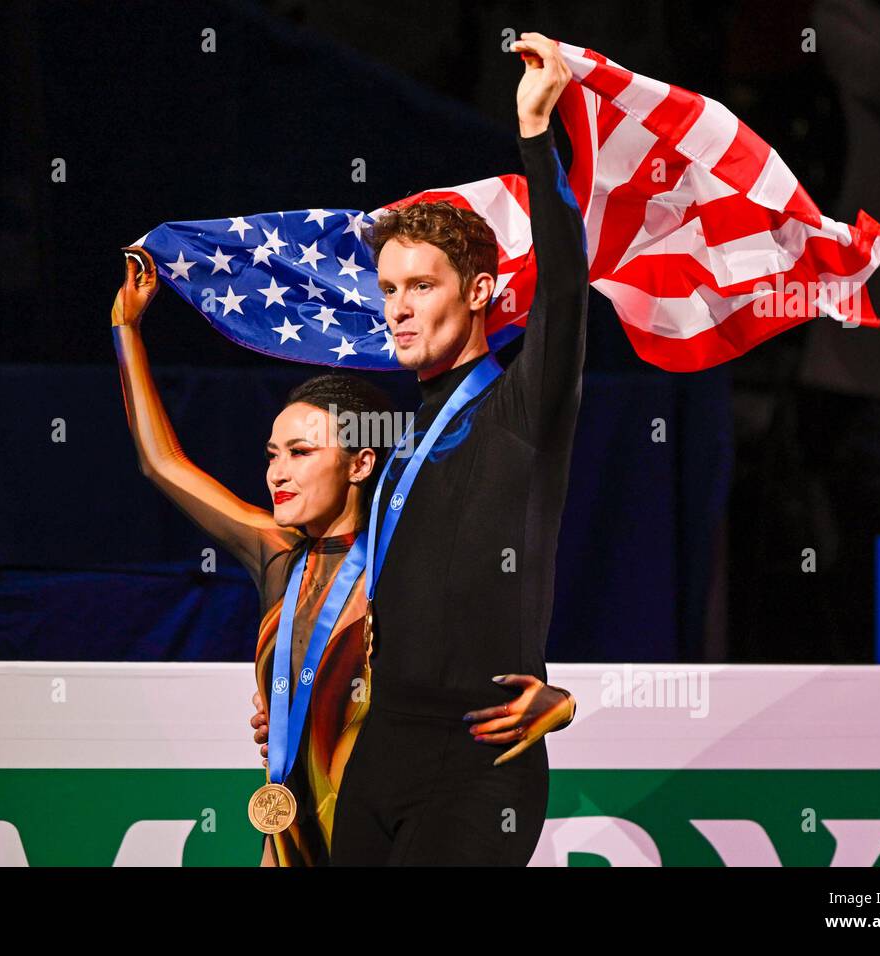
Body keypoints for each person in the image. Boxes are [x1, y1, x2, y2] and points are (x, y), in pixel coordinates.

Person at [110, 247, 573, 865]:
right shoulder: (275, 554)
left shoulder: (408, 553)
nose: (277, 472)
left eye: (301, 453)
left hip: (392, 805)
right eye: (273, 453)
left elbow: (492, 630)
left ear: (360, 463)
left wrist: (562, 702)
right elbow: (160, 462)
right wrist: (127, 331)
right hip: (296, 822)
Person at [323, 32, 590, 865]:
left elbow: (567, 282)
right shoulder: (398, 440)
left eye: (423, 285)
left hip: (482, 761)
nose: (398, 308)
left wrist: (536, 133)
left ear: (479, 292)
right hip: (377, 754)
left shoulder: (520, 406)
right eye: (389, 289)